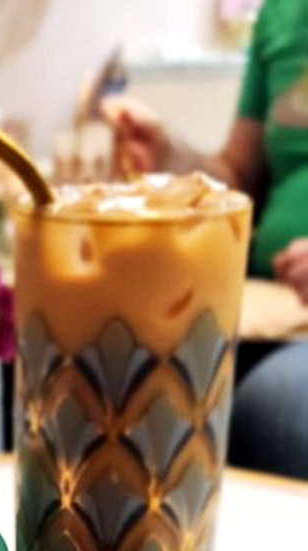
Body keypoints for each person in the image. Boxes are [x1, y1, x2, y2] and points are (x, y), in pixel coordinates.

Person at [104, 0, 308, 479]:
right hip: (266, 308)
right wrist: (169, 157)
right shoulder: (281, 13)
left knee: (274, 409)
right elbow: (238, 174)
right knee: (120, 364)